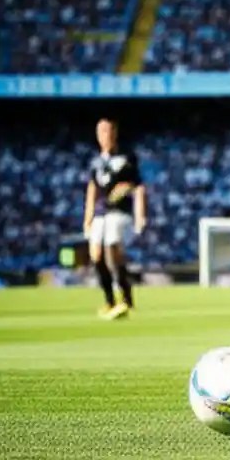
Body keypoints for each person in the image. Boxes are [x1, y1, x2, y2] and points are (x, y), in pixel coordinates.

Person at [83, 118, 146, 320]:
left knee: (112, 247)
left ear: (115, 132)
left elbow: (138, 186)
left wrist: (140, 214)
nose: (105, 135)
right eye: (101, 131)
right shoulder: (95, 162)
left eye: (108, 131)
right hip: (100, 212)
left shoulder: (127, 157)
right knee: (96, 256)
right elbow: (92, 189)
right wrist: (88, 217)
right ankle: (110, 301)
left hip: (119, 211)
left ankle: (125, 300)